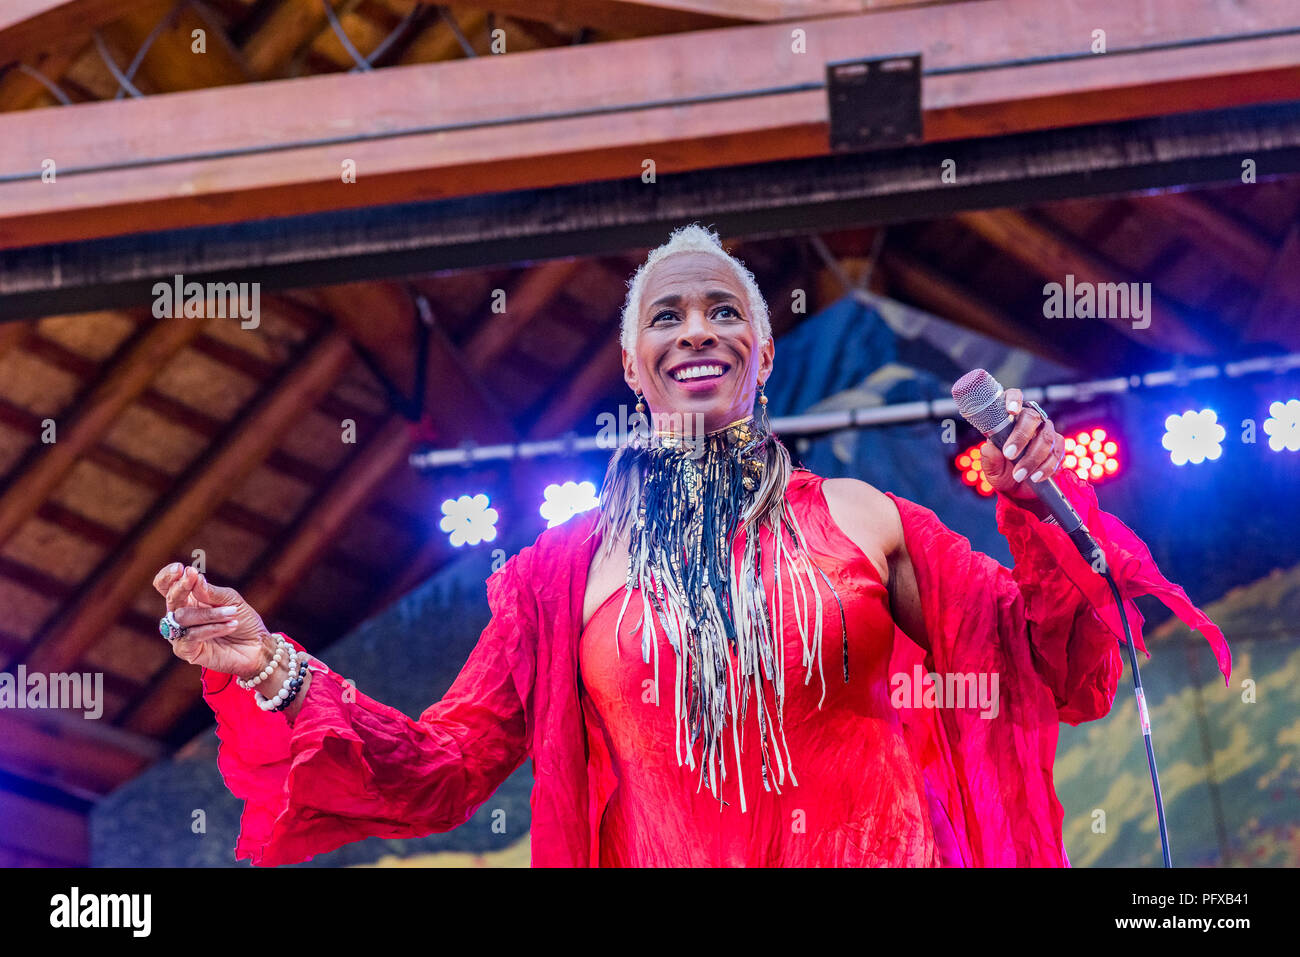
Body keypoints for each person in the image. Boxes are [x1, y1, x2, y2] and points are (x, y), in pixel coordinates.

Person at [153, 223, 1229, 867]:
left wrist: (1039, 513)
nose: (696, 330)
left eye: (723, 313)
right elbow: (440, 771)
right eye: (666, 318)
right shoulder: (556, 575)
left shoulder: (868, 517)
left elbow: (1055, 675)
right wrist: (272, 667)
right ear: (633, 365)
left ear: (761, 353)